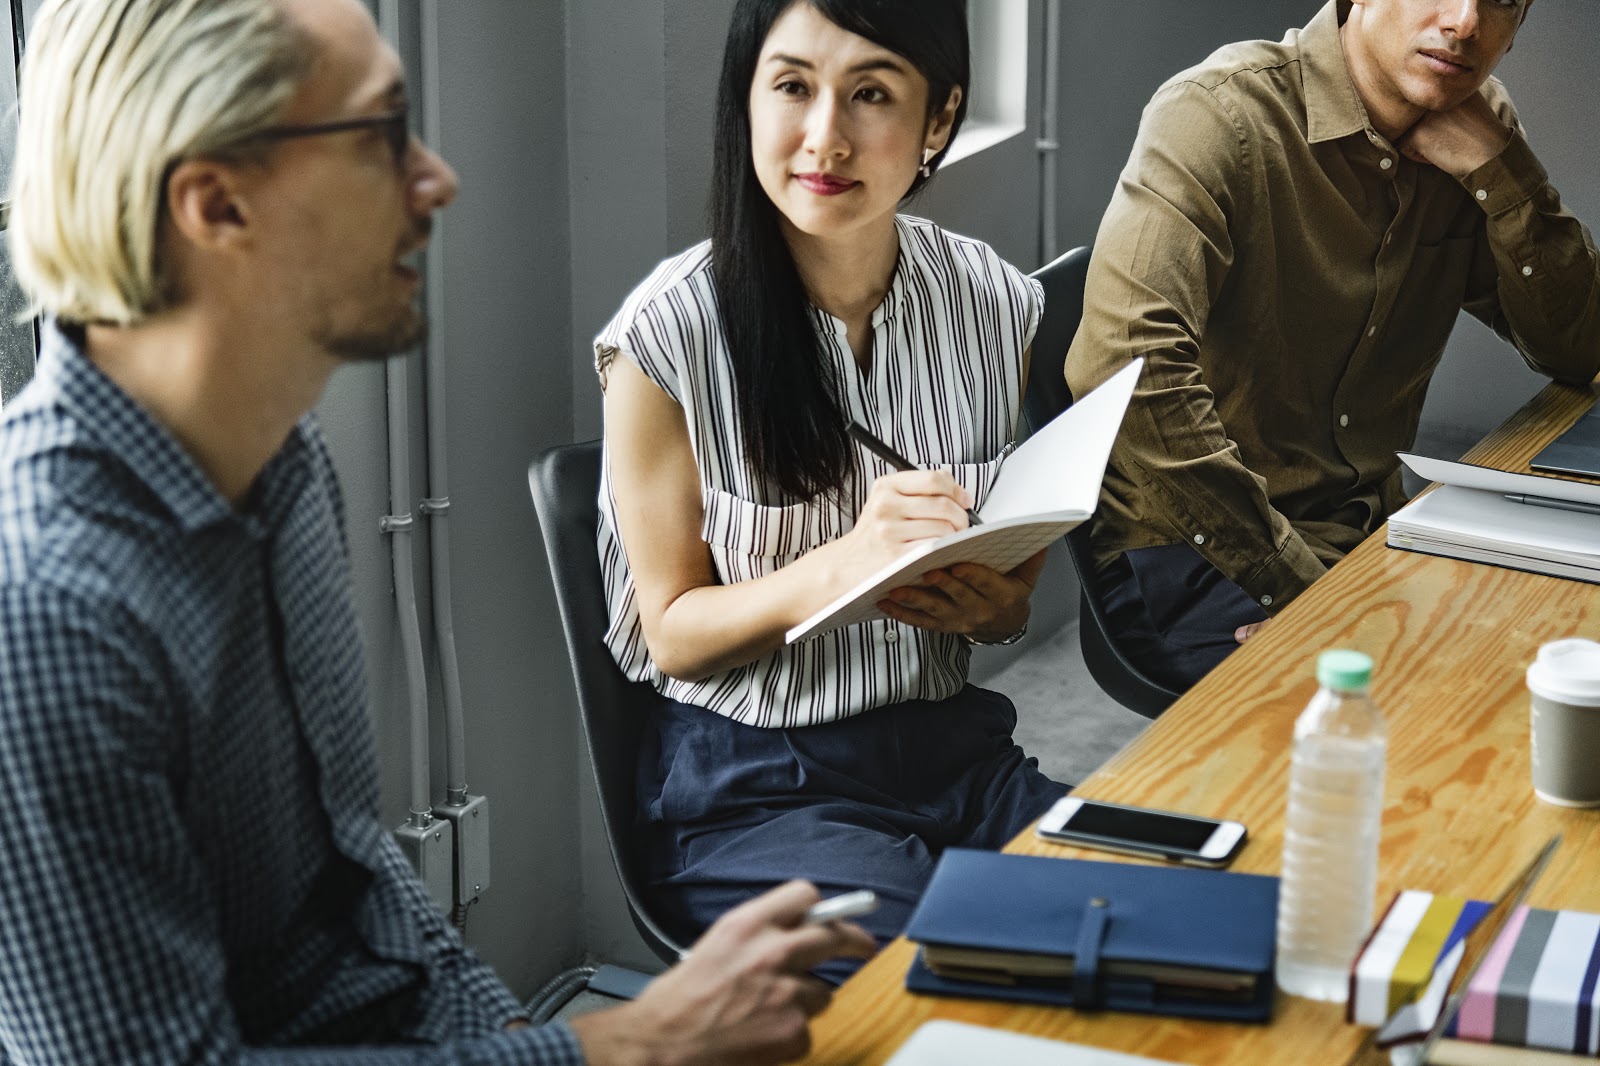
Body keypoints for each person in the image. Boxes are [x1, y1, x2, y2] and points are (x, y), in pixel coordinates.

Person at [0, 0, 873, 1062]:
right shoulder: (45, 617)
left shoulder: (278, 458)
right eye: (379, 135)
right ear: (216, 204)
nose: (437, 179)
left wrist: (513, 1030)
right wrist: (627, 1044)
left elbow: (357, 873)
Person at [596, 0, 1069, 979]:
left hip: (957, 754)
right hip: (753, 790)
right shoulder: (665, 336)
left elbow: (1009, 601)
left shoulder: (995, 305)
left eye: (872, 94)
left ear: (939, 117)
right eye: (792, 86)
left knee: (1137, 918)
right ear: (747, 98)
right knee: (959, 970)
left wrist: (993, 607)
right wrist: (846, 562)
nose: (825, 136)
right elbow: (671, 630)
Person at [1064, 0, 1600, 692]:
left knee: (1552, 649)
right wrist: (1303, 595)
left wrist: (1503, 172)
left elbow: (1578, 346)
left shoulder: (1475, 125)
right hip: (1202, 555)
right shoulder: (1218, 114)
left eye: (1500, 1)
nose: (1466, 22)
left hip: (1370, 527)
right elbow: (1125, 369)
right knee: (1431, 714)